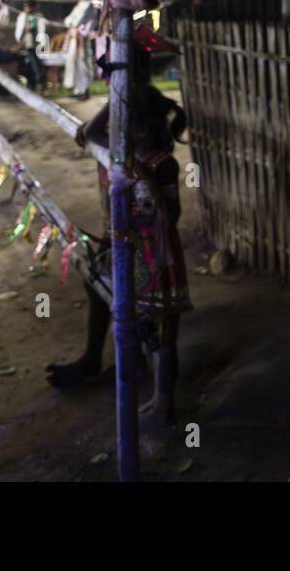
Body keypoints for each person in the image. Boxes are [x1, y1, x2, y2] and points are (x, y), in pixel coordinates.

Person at [46, 81, 191, 429]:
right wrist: (117, 98)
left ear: (141, 126)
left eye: (121, 121)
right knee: (103, 292)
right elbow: (88, 131)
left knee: (159, 333)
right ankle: (100, 360)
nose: (113, 128)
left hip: (156, 261)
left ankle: (164, 401)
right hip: (122, 251)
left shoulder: (161, 163)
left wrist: (146, 187)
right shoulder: (112, 153)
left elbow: (172, 216)